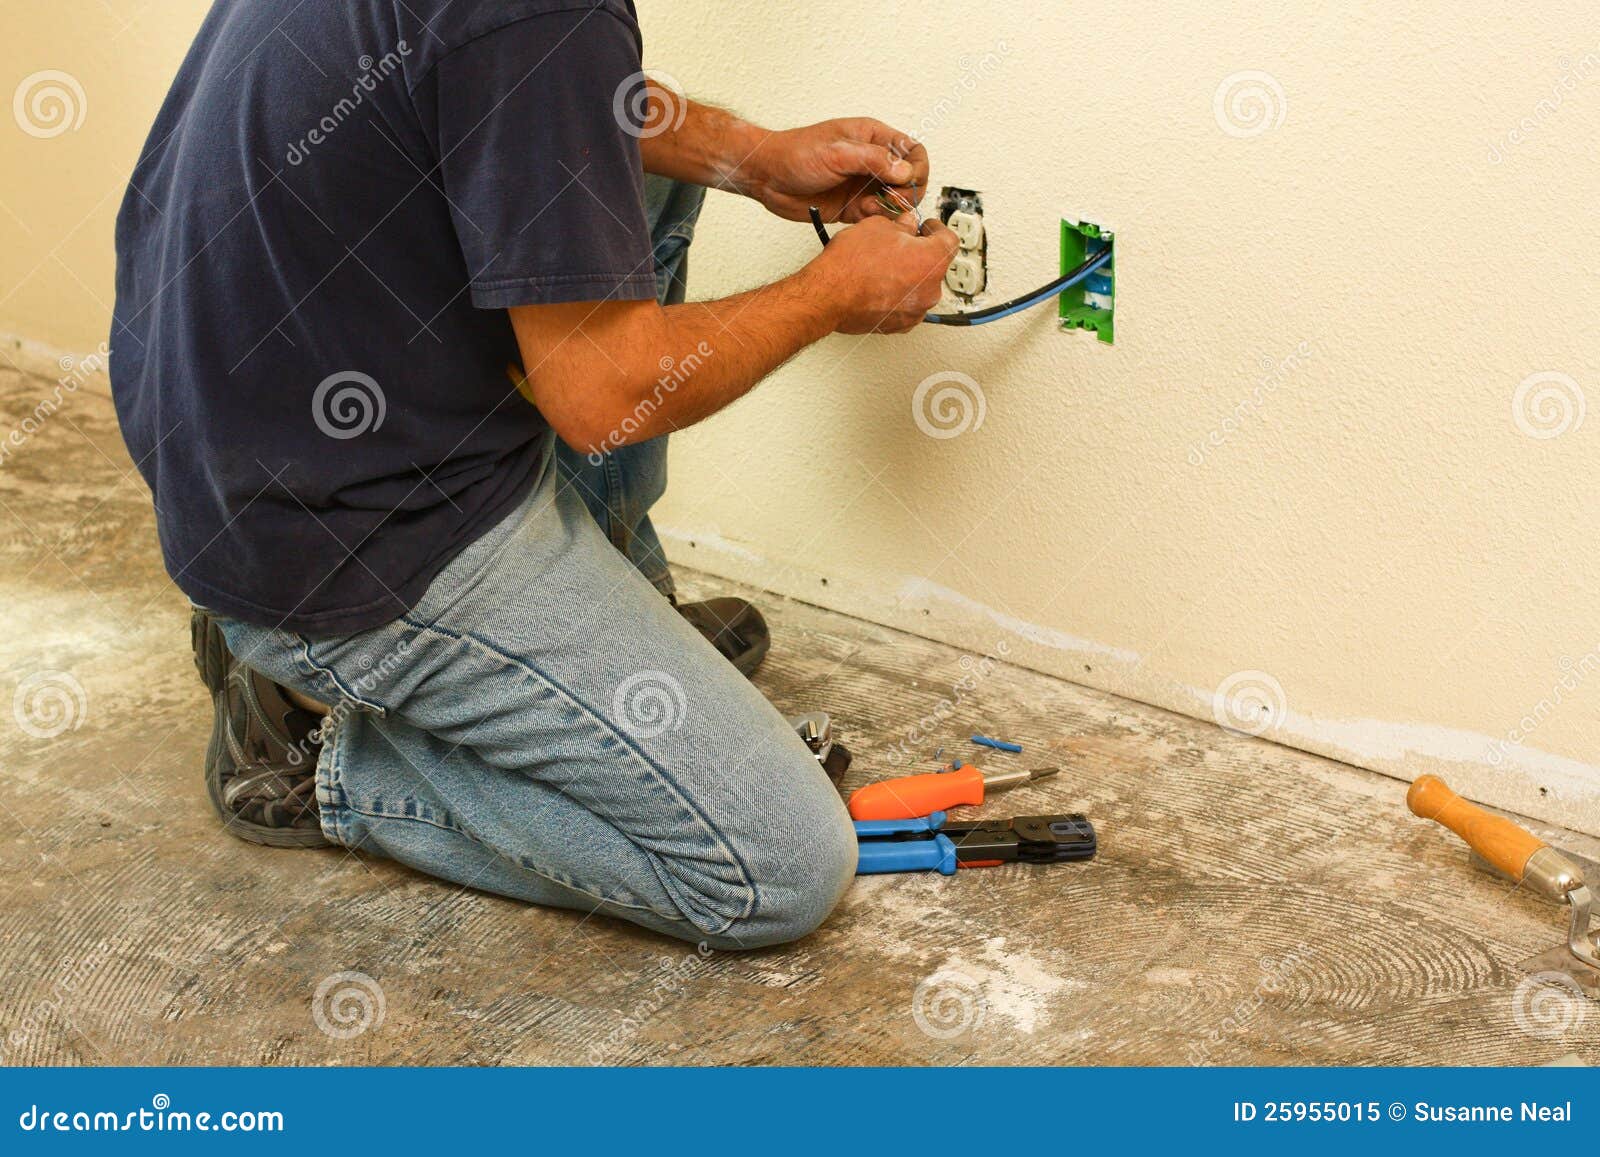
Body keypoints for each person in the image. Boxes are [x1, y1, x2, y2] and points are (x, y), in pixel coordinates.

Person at [110, 0, 958, 949]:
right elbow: (605, 391)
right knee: (782, 864)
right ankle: (311, 742)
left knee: (646, 187)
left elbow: (540, 98)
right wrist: (833, 292)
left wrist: (753, 158)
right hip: (342, 535)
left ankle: (611, 611)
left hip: (239, 436)